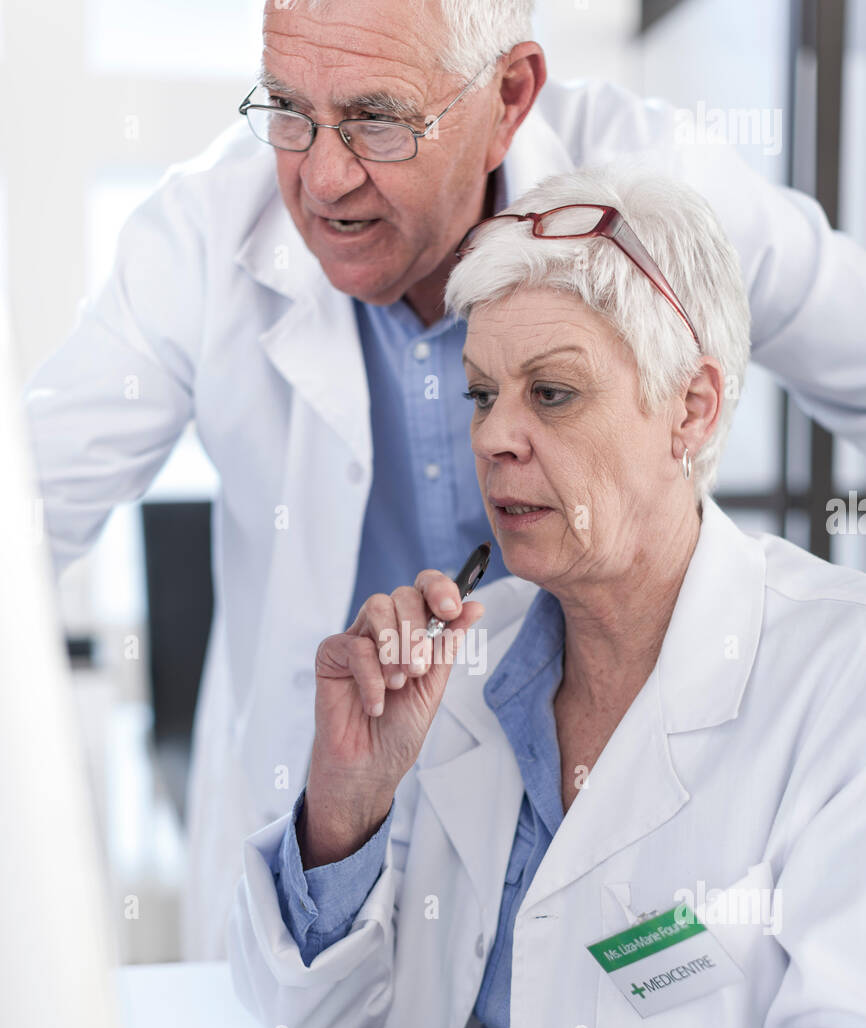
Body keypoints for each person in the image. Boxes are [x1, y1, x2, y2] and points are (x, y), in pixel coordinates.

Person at [24, 0, 866, 958]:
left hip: (599, 799)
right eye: (289, 110)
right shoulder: (201, 237)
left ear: (510, 96)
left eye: (380, 119)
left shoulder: (654, 195)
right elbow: (29, 508)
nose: (324, 176)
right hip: (339, 818)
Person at [230, 166, 866, 1028]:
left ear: (693, 409)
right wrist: (347, 804)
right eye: (479, 395)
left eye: (551, 394)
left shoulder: (835, 680)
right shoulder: (472, 660)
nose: (496, 439)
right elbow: (306, 1018)